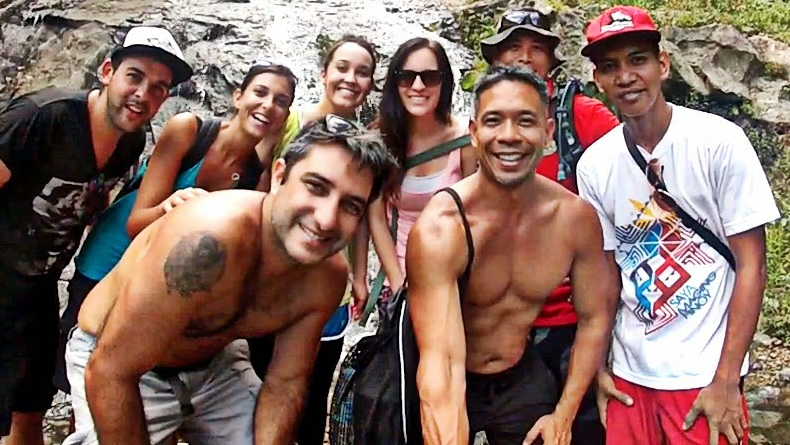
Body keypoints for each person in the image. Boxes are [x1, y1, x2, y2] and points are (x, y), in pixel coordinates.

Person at [60, 117, 398, 444]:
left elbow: (285, 383)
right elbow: (111, 370)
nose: (326, 219)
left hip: (216, 365)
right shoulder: (206, 242)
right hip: (116, 358)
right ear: (279, 175)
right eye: (316, 187)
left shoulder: (327, 278)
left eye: (350, 206)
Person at [0, 26, 192, 445]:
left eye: (159, 87)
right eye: (135, 76)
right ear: (107, 72)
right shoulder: (42, 117)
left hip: (40, 291)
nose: (143, 94)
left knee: (30, 412)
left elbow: (96, 206)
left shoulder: (131, 142)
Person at [575, 6, 780, 445]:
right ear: (598, 81)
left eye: (638, 60)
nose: (626, 77)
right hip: (629, 379)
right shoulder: (594, 165)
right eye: (610, 67)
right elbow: (606, 275)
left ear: (663, 65)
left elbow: (752, 266)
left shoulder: (718, 142)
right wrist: (599, 367)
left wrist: (727, 379)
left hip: (703, 376)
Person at [53, 61, 296, 395]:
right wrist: (173, 207)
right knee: (80, 383)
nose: (268, 105)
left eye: (281, 101)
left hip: (154, 284)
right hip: (108, 263)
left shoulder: (258, 178)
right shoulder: (189, 131)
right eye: (260, 93)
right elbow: (137, 222)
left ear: (286, 116)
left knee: (126, 385)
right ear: (238, 96)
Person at [407, 66, 618, 445]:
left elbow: (594, 317)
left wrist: (563, 415)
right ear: (473, 133)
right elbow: (442, 363)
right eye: (493, 121)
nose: (509, 136)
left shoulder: (574, 220)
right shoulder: (442, 227)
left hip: (521, 374)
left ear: (548, 132)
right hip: (452, 377)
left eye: (525, 121)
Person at [480, 4, 619, 443]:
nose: (525, 57)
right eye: (513, 47)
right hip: (502, 322)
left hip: (573, 316)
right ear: (495, 59)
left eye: (537, 48)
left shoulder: (582, 115)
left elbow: (630, 175)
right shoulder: (483, 123)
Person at [249, 35, 377, 445]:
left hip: (328, 287)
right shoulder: (286, 120)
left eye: (362, 72)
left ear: (370, 85)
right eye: (342, 68)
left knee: (313, 387)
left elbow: (360, 215)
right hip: (267, 278)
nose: (350, 78)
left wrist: (359, 276)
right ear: (323, 73)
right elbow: (255, 183)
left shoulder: (365, 147)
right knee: (256, 381)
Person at [367, 37, 476, 303]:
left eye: (429, 77)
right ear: (395, 83)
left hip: (452, 276)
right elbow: (377, 218)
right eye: (407, 77)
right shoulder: (381, 139)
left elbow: (474, 213)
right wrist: (397, 284)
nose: (418, 86)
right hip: (398, 276)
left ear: (444, 83)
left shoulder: (465, 139)